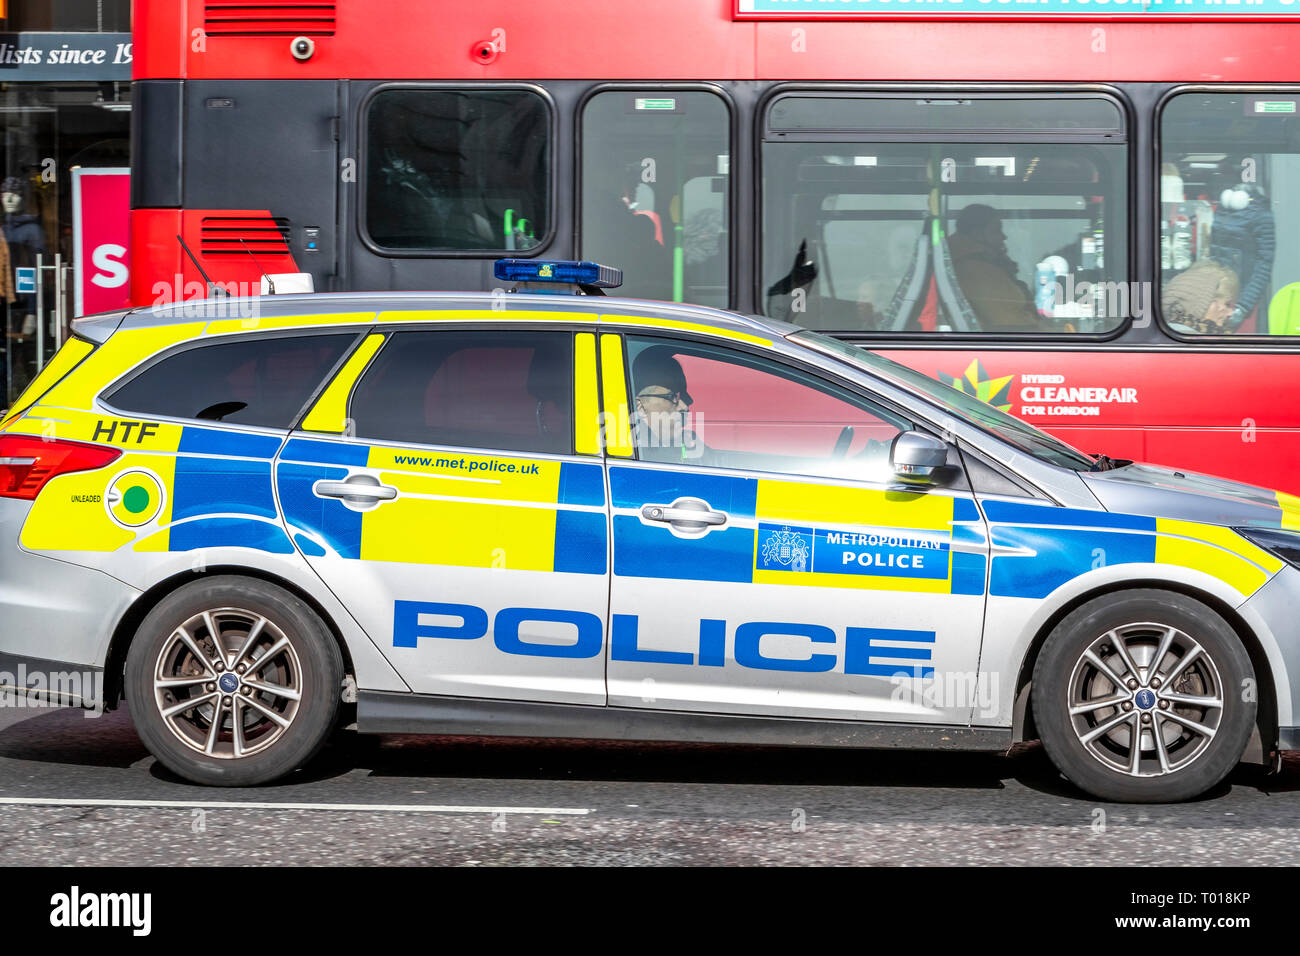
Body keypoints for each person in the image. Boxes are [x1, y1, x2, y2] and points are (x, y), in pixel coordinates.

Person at [946, 204, 1041, 332]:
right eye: (996, 230)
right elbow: (1009, 323)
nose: (1004, 236)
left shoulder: (981, 264)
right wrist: (1047, 332)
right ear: (977, 234)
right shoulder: (975, 270)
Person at [630, 346, 706, 462]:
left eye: (683, 397)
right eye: (672, 397)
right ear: (641, 407)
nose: (684, 407)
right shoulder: (634, 459)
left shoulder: (689, 444)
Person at [1162, 259, 1239, 333]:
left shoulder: (1176, 334)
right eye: (1227, 304)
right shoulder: (1196, 340)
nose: (1231, 313)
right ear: (1206, 304)